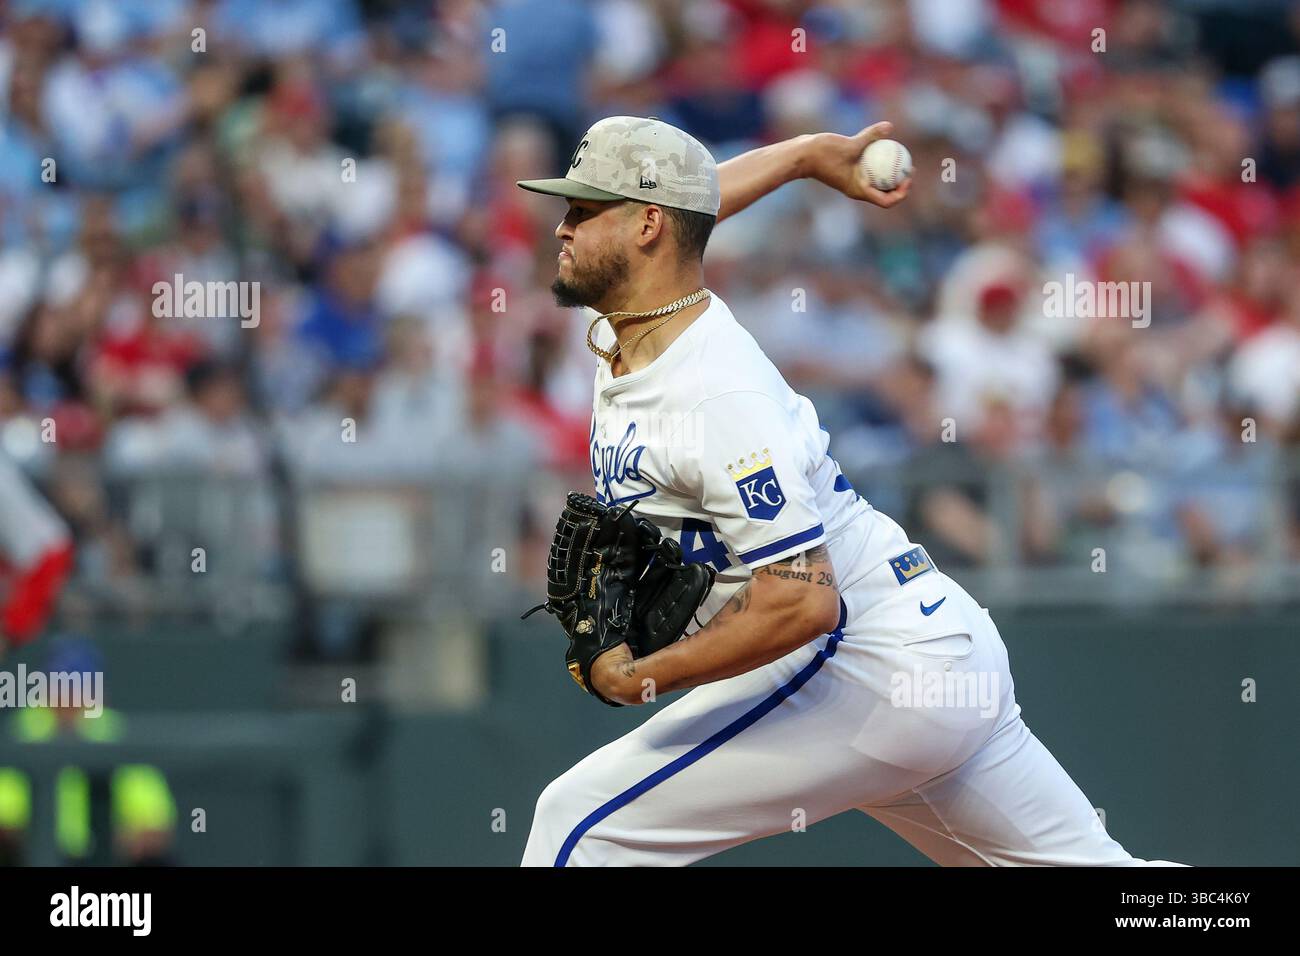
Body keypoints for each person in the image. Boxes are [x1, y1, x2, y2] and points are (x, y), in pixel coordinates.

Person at [515, 116, 1185, 867]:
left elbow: (803, 600)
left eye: (580, 210)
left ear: (644, 228)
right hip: (933, 646)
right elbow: (693, 206)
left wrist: (640, 675)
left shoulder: (713, 394)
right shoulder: (633, 313)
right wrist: (802, 156)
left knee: (576, 826)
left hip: (863, 661)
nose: (561, 228)